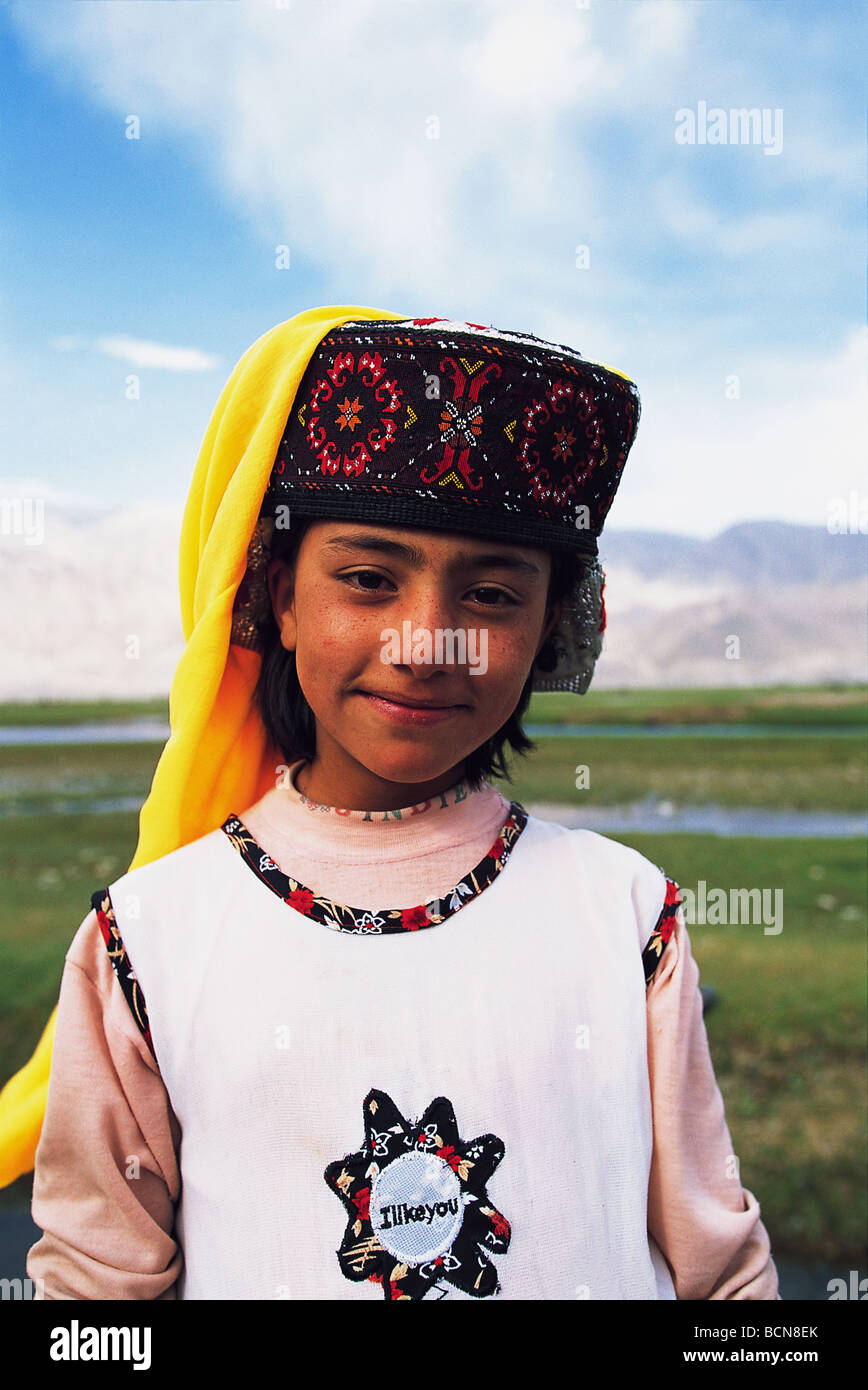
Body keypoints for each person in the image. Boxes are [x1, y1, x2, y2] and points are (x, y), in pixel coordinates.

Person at [20, 307, 778, 1300]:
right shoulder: (148, 937)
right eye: (369, 579)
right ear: (278, 599)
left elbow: (718, 1267)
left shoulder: (624, 910)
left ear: (553, 628)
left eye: (493, 596)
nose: (427, 643)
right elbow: (96, 1284)